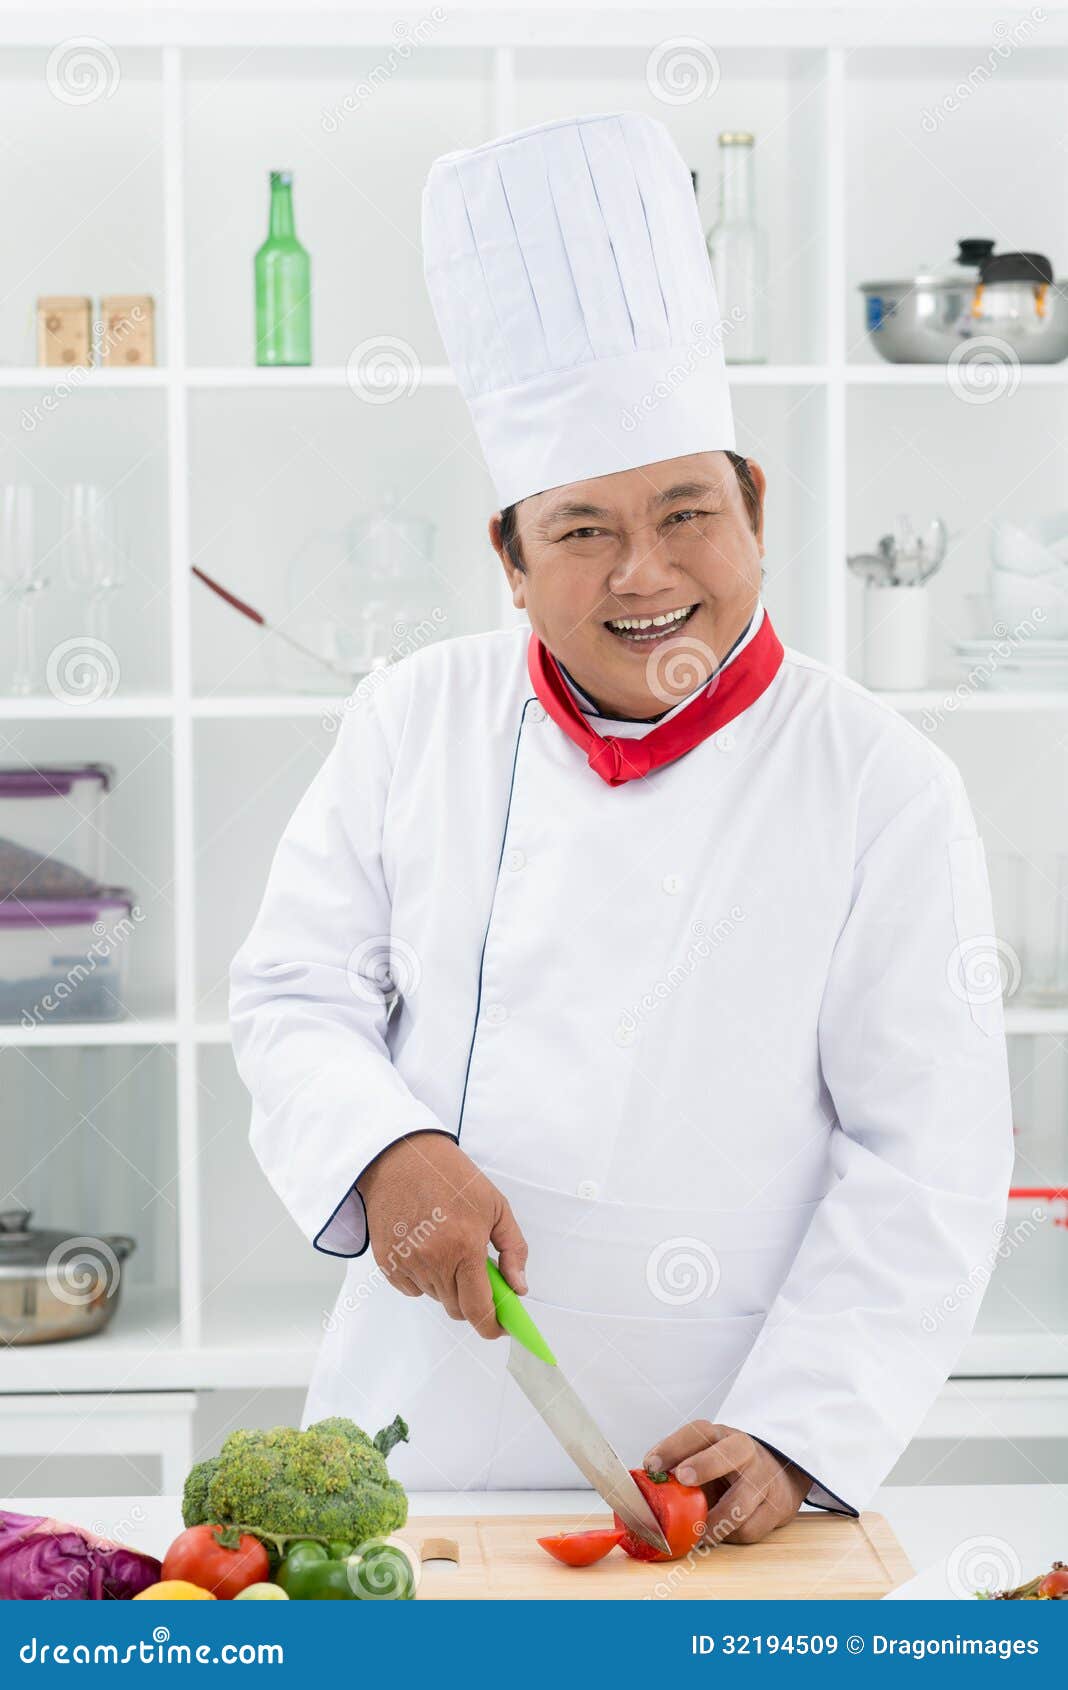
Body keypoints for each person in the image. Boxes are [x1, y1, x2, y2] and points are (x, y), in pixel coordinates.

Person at [230, 112, 1012, 1543]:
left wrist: (802, 1424)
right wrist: (383, 1144)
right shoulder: (410, 720)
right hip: (414, 1466)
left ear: (756, 507)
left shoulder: (879, 780)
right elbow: (292, 993)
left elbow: (927, 1156)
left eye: (686, 511)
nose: (646, 572)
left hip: (716, 1477)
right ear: (511, 561)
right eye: (583, 527)